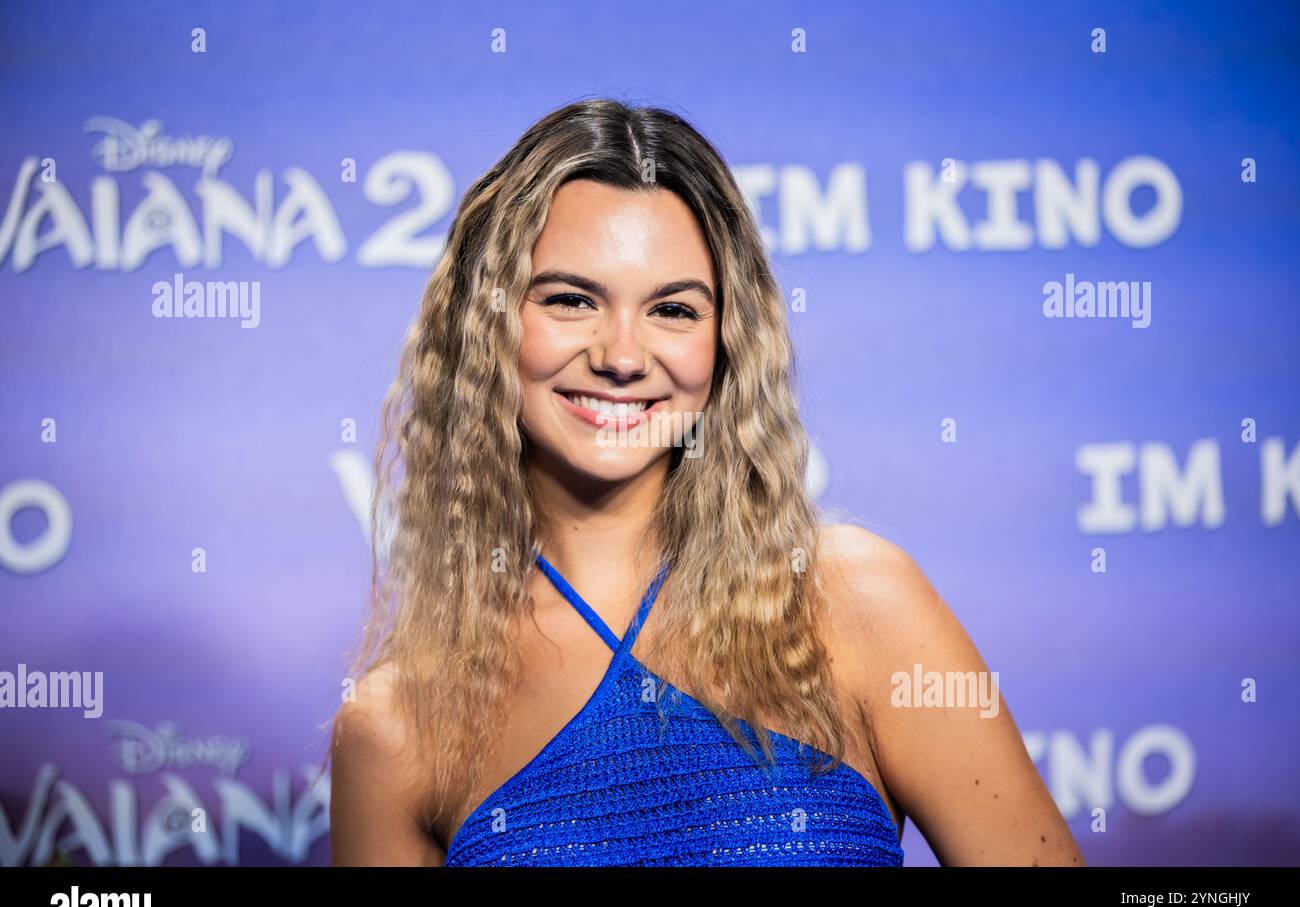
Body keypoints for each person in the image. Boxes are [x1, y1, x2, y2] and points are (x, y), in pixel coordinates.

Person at [328, 98, 1084, 867]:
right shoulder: (395, 727)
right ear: (484, 324)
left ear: (725, 343)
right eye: (570, 300)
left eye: (673, 309)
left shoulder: (855, 603)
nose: (622, 354)